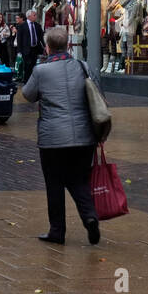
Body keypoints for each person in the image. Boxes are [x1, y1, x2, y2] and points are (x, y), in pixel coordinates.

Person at [21, 25, 100, 246]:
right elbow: (98, 95)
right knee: (79, 179)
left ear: (47, 48)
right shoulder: (84, 67)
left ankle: (57, 231)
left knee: (54, 183)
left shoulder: (41, 71)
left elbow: (28, 95)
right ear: (68, 45)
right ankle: (90, 216)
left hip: (53, 139)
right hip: (84, 137)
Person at [17, 8, 44, 84]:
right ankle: (26, 82)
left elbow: (41, 37)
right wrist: (19, 51)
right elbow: (19, 39)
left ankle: (32, 82)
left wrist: (44, 46)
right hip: (26, 49)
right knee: (27, 67)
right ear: (29, 16)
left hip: (35, 49)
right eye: (34, 15)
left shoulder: (37, 25)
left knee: (33, 66)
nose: (36, 17)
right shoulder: (22, 26)